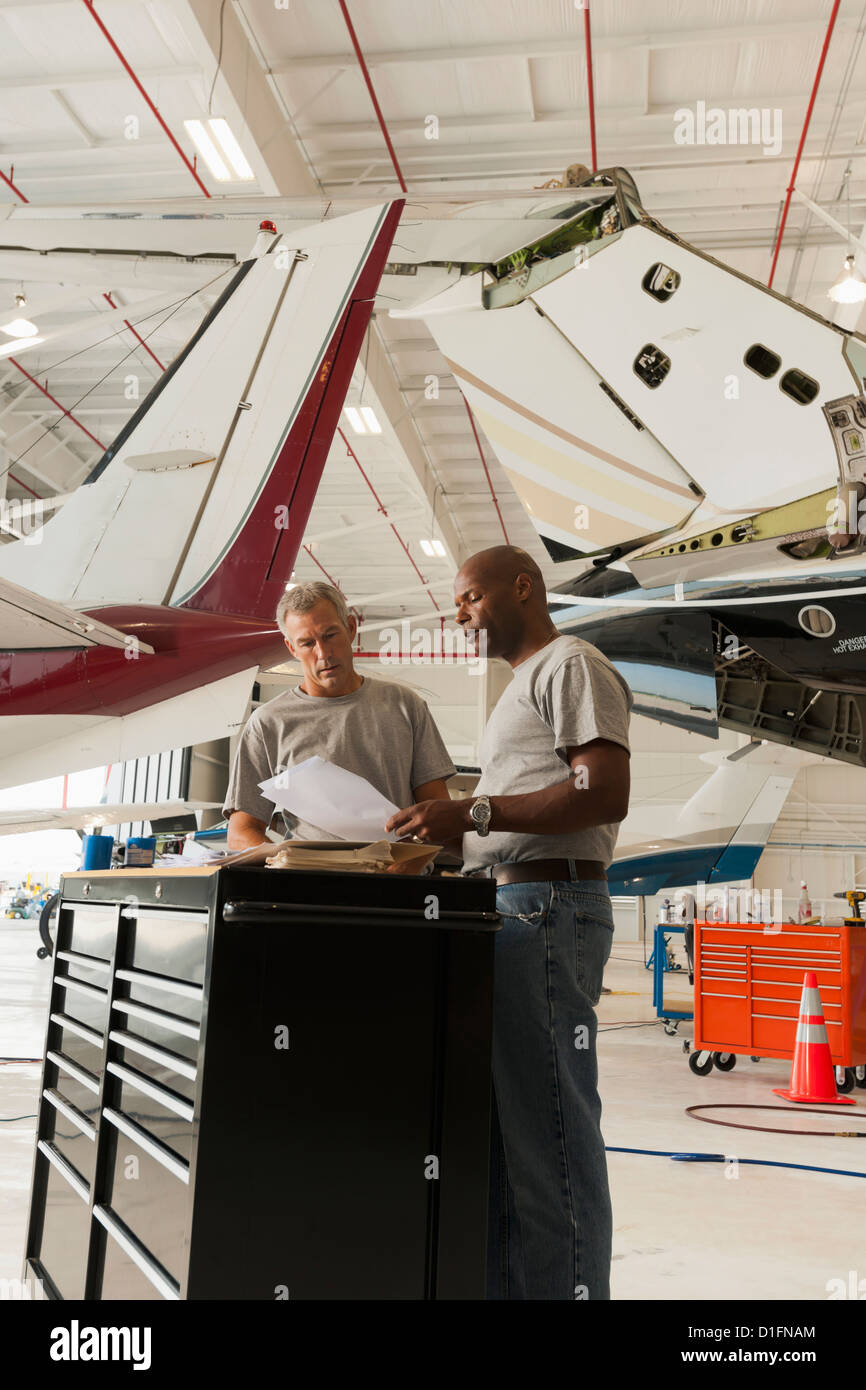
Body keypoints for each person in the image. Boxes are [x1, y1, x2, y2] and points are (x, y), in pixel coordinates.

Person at [386, 545, 632, 1301]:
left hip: (547, 910)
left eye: (469, 598)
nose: (459, 614)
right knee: (506, 1141)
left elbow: (602, 792)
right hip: (506, 908)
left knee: (551, 1135)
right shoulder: (519, 687)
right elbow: (503, 815)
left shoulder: (570, 664)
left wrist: (472, 809)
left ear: (522, 587)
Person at [223, 581, 455, 850]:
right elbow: (241, 833)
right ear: (291, 648)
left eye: (330, 635)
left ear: (351, 628)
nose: (323, 653)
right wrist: (291, 868)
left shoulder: (406, 705)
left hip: (397, 880)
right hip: (309, 886)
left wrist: (407, 868)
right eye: (307, 643)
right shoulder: (267, 723)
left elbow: (438, 814)